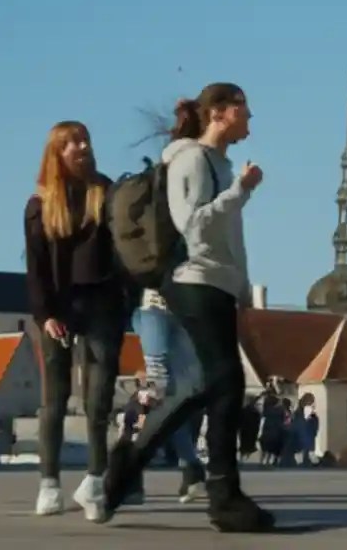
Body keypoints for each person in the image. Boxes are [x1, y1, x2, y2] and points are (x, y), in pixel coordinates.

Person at [101, 83, 273, 533]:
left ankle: (130, 463)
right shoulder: (192, 159)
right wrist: (241, 190)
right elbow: (192, 223)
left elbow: (229, 236)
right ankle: (223, 495)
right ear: (219, 113)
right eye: (244, 109)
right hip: (192, 279)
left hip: (216, 281)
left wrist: (242, 287)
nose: (250, 118)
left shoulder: (221, 162)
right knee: (227, 381)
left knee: (205, 386)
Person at [25, 121, 126, 521]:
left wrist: (125, 298)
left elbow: (123, 251)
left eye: (85, 140)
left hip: (102, 303)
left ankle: (95, 482)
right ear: (57, 153)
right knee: (54, 400)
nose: (83, 147)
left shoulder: (107, 191)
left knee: (98, 400)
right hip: (59, 308)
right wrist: (45, 314)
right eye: (73, 143)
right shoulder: (40, 203)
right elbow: (35, 268)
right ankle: (49, 483)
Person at [131, 287, 208, 503]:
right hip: (156, 307)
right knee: (161, 392)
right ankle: (191, 470)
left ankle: (132, 475)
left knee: (173, 397)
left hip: (180, 310)